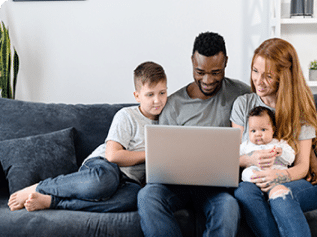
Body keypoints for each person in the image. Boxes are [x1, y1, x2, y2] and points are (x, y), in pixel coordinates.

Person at [8, 61, 168, 212]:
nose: (157, 100)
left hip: (129, 181)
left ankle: (52, 201)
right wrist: (151, 155)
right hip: (104, 167)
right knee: (105, 181)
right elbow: (112, 155)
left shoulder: (168, 120)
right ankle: (40, 187)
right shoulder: (127, 116)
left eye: (162, 93)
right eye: (149, 95)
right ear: (137, 96)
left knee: (133, 199)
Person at [137, 32, 252, 237]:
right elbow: (163, 156)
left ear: (226, 62)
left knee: (229, 208)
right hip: (176, 186)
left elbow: (273, 121)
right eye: (200, 72)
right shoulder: (173, 104)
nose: (207, 80)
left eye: (216, 72)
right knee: (147, 196)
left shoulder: (242, 94)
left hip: (217, 187)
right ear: (192, 62)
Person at [231, 38, 317, 237]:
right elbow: (234, 155)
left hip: (293, 182)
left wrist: (278, 177)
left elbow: (302, 167)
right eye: (255, 71)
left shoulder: (300, 109)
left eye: (268, 76)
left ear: (284, 77)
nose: (258, 81)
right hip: (255, 181)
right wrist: (251, 160)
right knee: (243, 192)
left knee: (278, 192)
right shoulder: (243, 104)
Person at [240, 106, 295, 182]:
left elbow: (291, 159)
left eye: (263, 129)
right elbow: (235, 158)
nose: (258, 134)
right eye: (253, 131)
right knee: (245, 173)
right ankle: (260, 179)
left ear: (273, 130)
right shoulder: (246, 145)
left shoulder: (279, 143)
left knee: (282, 171)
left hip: (275, 170)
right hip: (256, 170)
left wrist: (282, 153)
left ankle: (268, 181)